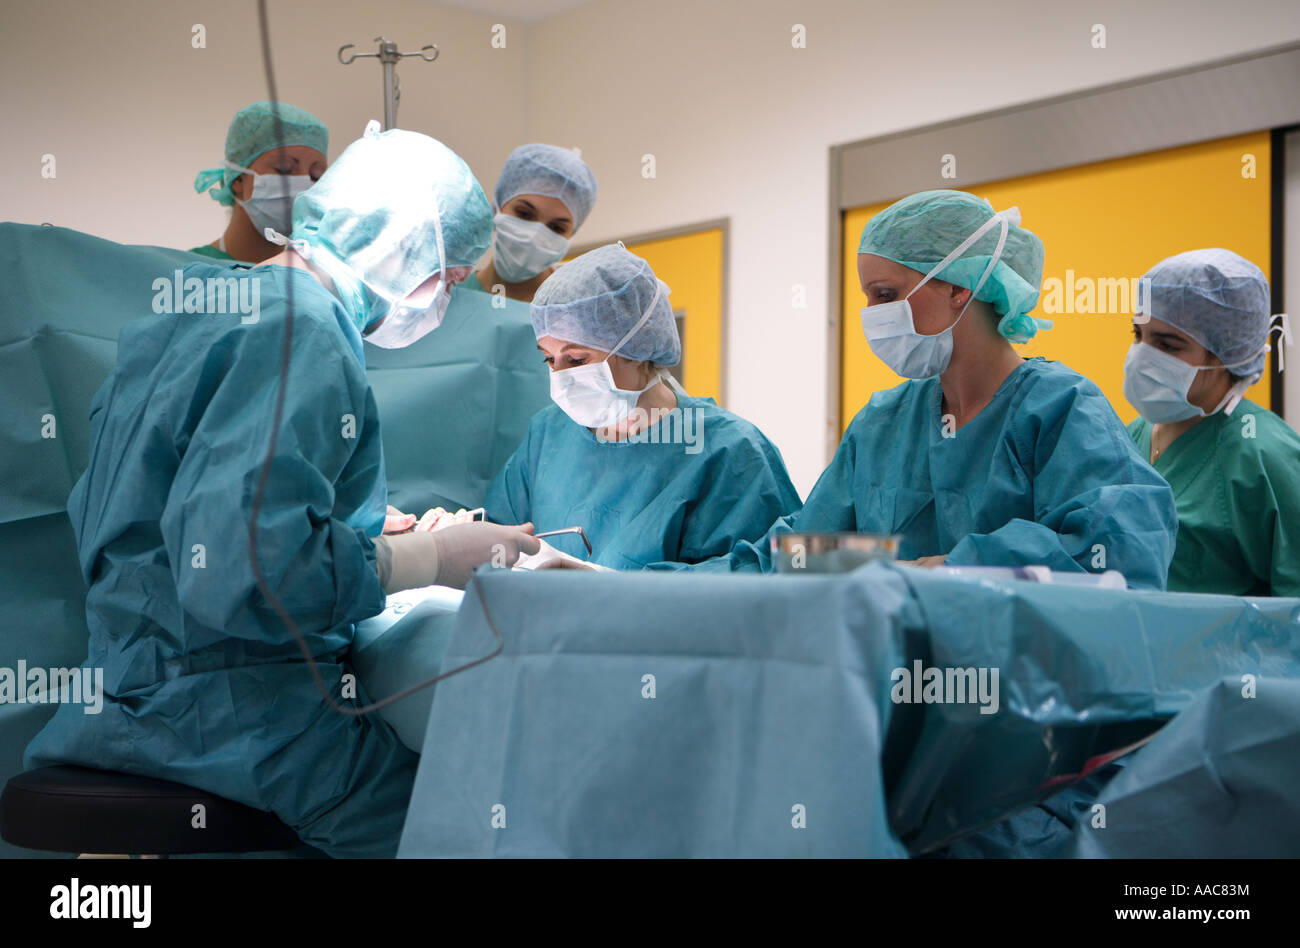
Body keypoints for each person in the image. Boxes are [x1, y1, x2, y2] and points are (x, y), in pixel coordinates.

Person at [24, 121, 539, 858]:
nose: (447, 294)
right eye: (449, 275)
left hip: (121, 695)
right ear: (399, 244)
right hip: (236, 716)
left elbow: (172, 507)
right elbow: (243, 573)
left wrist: (353, 534)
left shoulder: (204, 308)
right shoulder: (305, 328)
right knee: (460, 830)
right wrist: (433, 559)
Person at [680, 190, 1177, 589]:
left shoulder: (1059, 409)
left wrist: (965, 567)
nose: (873, 315)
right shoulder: (883, 424)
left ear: (959, 287)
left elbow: (1122, 552)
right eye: (869, 297)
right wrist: (653, 585)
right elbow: (812, 557)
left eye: (887, 295)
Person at [485, 244, 802, 568]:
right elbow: (500, 535)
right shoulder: (548, 434)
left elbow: (760, 578)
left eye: (577, 359)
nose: (561, 377)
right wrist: (463, 533)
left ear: (637, 347)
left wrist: (615, 593)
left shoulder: (729, 452)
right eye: (550, 359)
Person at [372, 144, 597, 522]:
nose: (535, 233)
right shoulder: (439, 301)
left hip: (544, 521)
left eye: (557, 227)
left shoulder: (584, 317)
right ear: (497, 206)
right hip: (425, 522)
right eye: (524, 213)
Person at [1124, 248, 1298, 596]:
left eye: (1168, 345)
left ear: (1227, 354)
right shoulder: (1132, 436)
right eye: (1139, 335)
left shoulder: (1265, 454)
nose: (1143, 355)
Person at [190, 101, 329, 263]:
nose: (304, 186)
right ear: (238, 178)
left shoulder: (311, 281)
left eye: (316, 176)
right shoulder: (185, 275)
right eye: (284, 169)